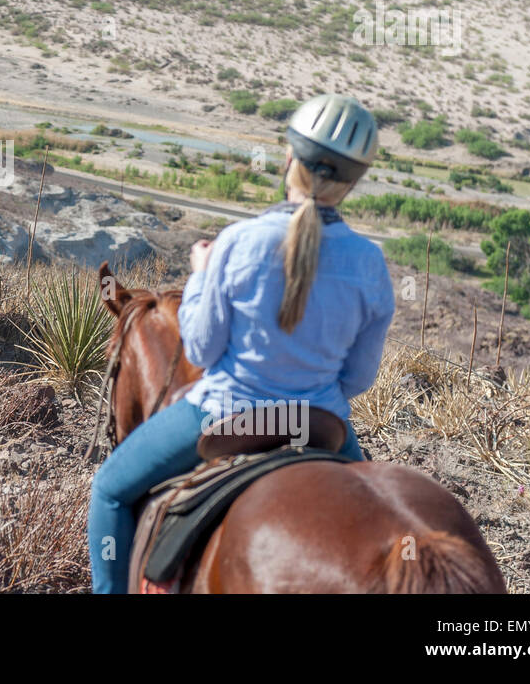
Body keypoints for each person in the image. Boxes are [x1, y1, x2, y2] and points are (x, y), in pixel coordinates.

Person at [87, 94, 396, 594]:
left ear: (288, 160)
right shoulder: (370, 263)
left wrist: (203, 276)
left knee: (110, 493)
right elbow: (358, 380)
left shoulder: (239, 241)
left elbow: (203, 351)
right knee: (382, 523)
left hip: (226, 415)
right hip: (319, 424)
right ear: (353, 182)